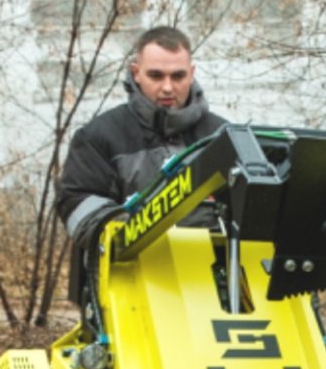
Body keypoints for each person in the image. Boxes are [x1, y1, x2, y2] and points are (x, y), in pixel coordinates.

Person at [57, 26, 226, 245]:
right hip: (129, 265)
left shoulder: (223, 136)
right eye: (156, 76)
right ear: (136, 73)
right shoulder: (97, 137)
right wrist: (132, 231)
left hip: (216, 265)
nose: (167, 87)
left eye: (178, 76)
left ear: (191, 73)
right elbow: (77, 203)